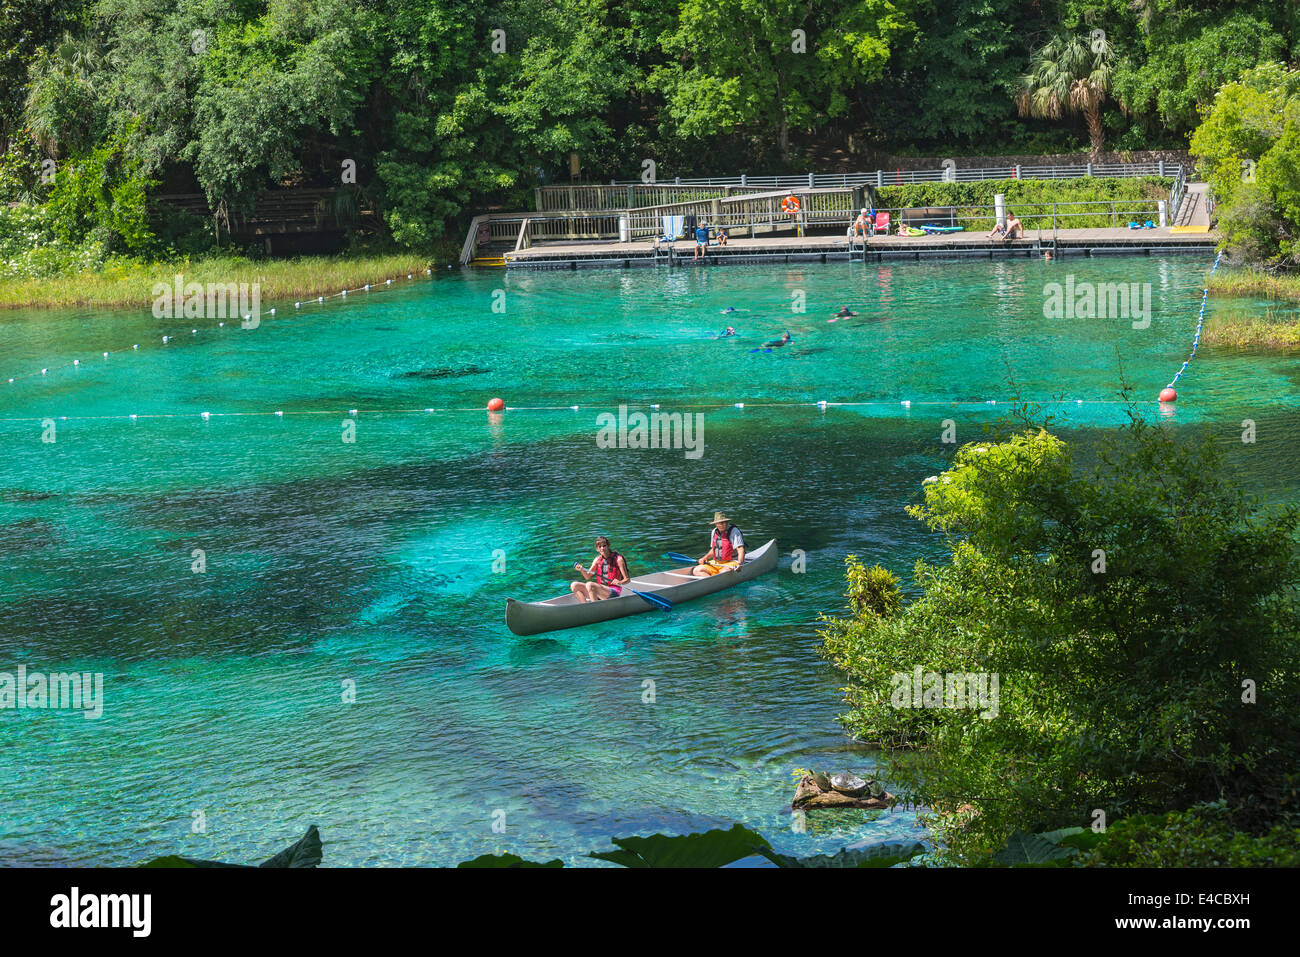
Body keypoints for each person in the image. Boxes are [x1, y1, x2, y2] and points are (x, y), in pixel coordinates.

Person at [571, 536, 630, 602]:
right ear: (597, 549)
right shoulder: (597, 560)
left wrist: (620, 582)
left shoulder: (618, 559)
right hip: (600, 591)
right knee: (574, 585)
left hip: (613, 591)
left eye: (604, 546)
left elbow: (627, 579)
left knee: (590, 584)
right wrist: (582, 570)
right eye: (600, 547)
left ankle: (595, 608)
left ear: (608, 546)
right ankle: (584, 606)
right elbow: (587, 576)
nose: (602, 548)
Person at [692, 512, 746, 576]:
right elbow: (713, 550)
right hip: (717, 563)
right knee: (696, 570)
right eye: (719, 523)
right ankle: (710, 581)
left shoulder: (734, 531)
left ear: (727, 522)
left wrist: (739, 564)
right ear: (715, 524)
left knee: (723, 573)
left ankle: (713, 580)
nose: (722, 525)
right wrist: (704, 558)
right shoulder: (714, 532)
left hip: (732, 562)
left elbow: (740, 549)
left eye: (724, 522)